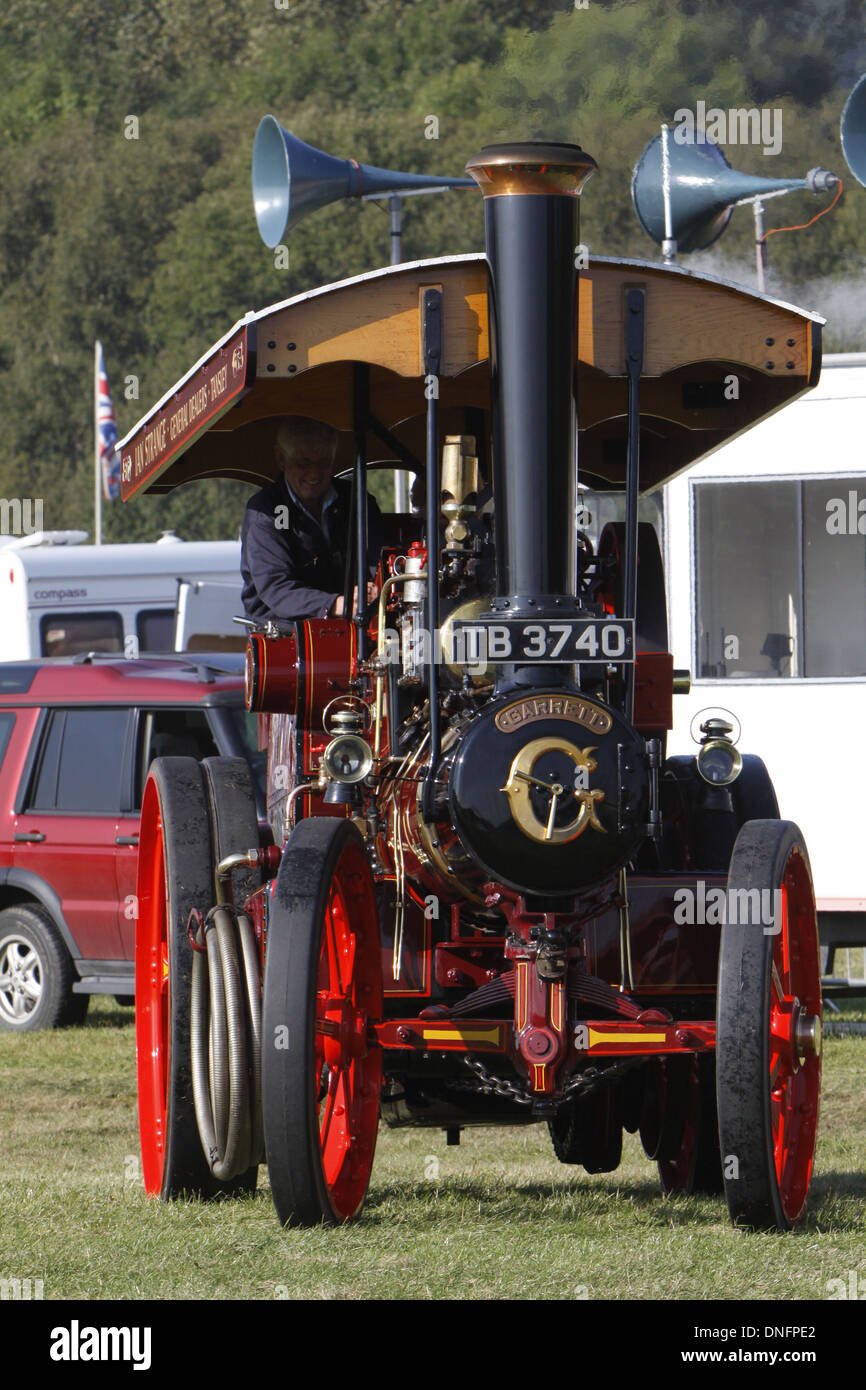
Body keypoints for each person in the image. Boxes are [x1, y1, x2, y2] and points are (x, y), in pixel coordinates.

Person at [241, 416, 381, 623]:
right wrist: (336, 604)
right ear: (281, 459)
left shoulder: (357, 502)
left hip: (354, 627)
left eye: (323, 462)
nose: (314, 473)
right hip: (285, 636)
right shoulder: (269, 511)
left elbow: (377, 558)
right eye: (303, 462)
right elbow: (276, 586)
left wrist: (375, 586)